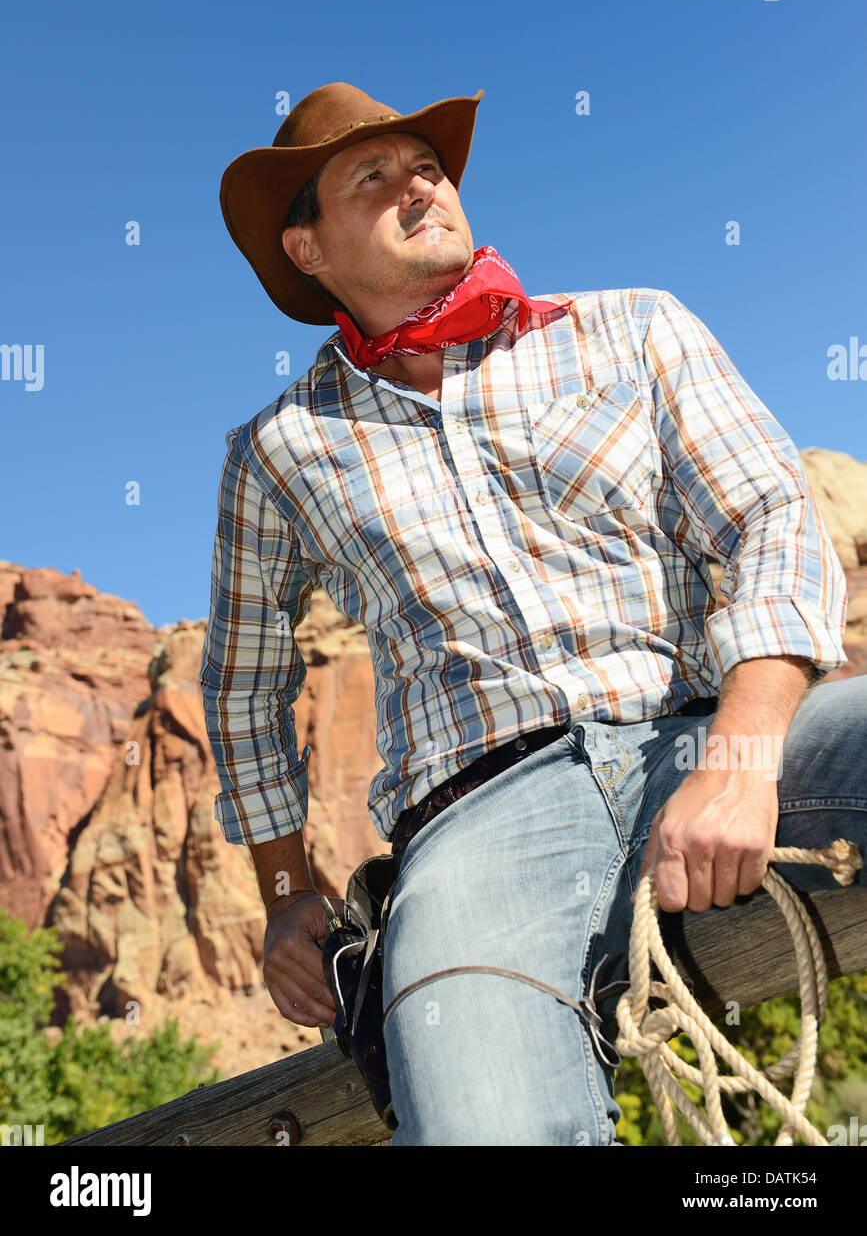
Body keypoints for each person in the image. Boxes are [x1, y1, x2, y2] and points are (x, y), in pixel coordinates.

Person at [200, 81, 866, 1145]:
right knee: (482, 1127)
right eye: (374, 176)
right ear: (309, 250)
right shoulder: (278, 451)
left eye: (428, 165)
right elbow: (244, 689)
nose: (420, 184)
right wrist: (286, 895)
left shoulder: (633, 326)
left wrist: (741, 755)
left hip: (707, 734)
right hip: (478, 823)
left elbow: (770, 523)